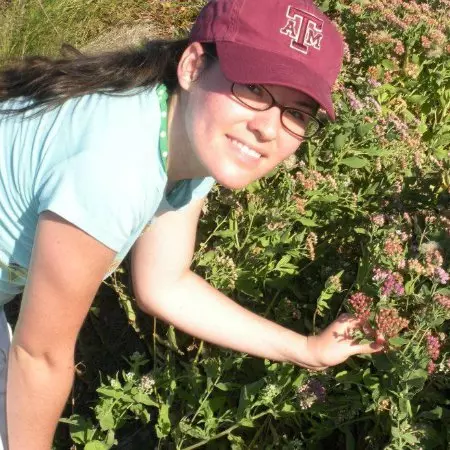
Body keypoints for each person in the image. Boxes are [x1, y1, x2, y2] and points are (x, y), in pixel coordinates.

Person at [0, 0, 385, 448]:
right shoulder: (116, 167)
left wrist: (307, 351)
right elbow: (39, 355)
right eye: (254, 88)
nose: (268, 128)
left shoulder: (178, 130)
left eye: (297, 113)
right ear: (192, 65)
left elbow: (164, 283)